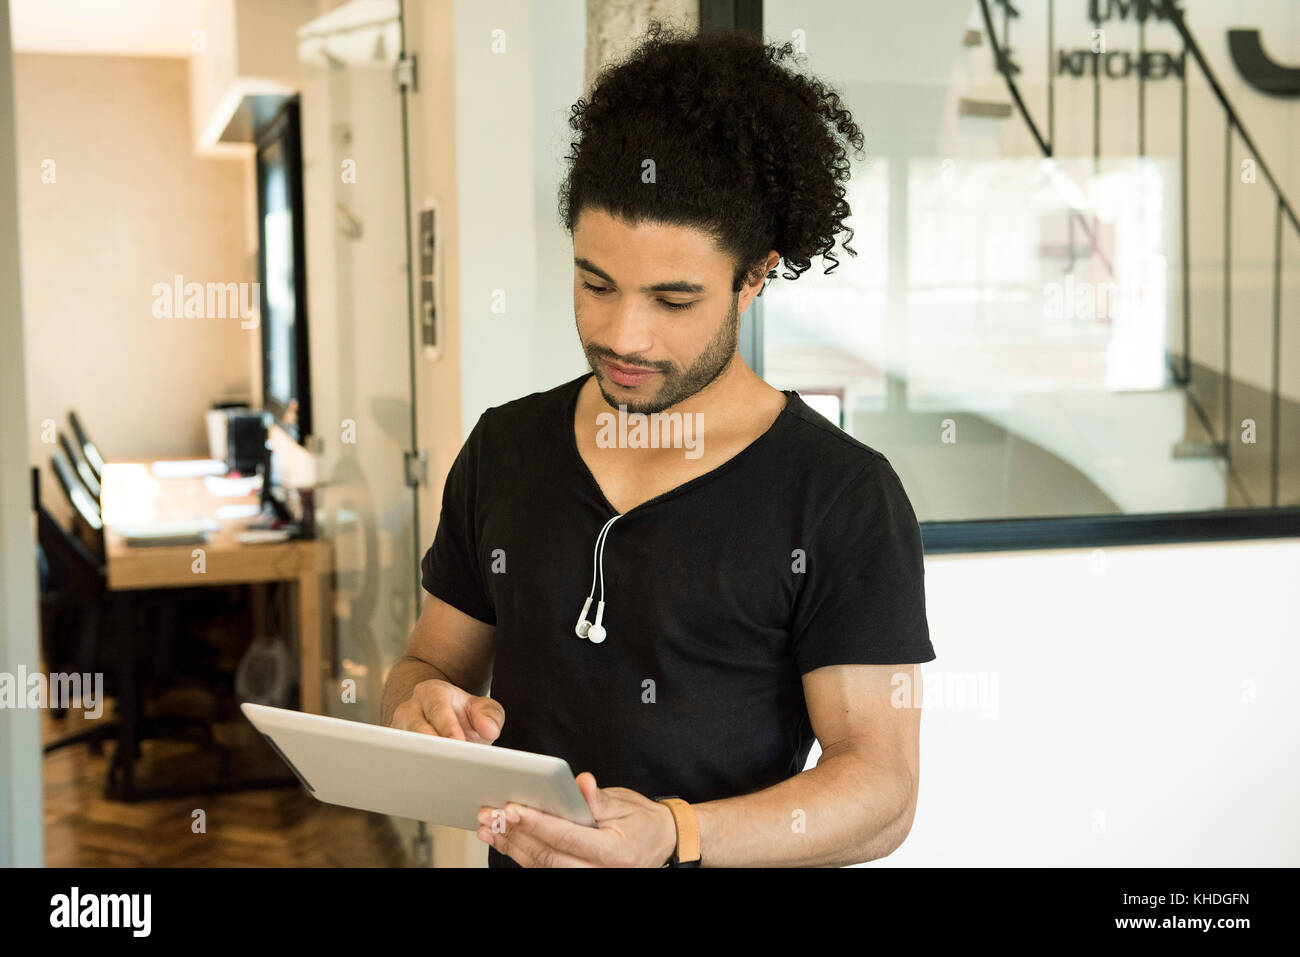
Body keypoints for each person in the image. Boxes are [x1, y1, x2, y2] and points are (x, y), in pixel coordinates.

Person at [381, 19, 935, 868]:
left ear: (755, 277)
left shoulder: (838, 494)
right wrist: (421, 705)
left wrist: (678, 833)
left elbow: (881, 792)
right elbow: (426, 662)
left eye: (673, 300)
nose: (623, 336)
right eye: (594, 282)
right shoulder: (505, 447)